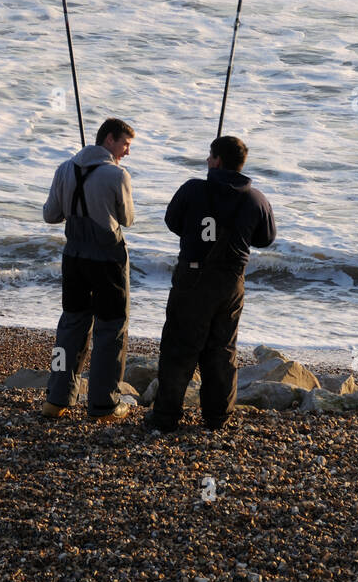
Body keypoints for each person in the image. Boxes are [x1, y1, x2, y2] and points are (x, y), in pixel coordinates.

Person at [146, 135, 276, 433]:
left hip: (193, 277)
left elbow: (172, 222)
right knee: (222, 348)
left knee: (180, 346)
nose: (206, 160)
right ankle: (217, 417)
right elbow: (266, 238)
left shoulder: (194, 189)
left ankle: (166, 417)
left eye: (209, 156)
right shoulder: (255, 198)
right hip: (231, 282)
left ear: (217, 161)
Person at [41, 117, 135, 422]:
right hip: (107, 261)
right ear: (109, 139)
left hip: (74, 258)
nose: (127, 152)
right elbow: (128, 219)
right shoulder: (117, 175)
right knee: (110, 329)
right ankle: (104, 404)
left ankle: (56, 399)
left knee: (71, 325)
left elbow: (51, 215)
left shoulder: (64, 169)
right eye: (125, 144)